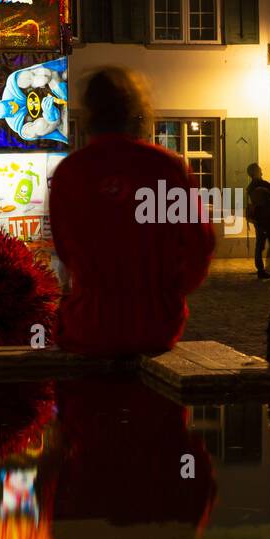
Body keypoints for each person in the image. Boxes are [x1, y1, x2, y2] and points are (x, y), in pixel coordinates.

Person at [49, 67, 214, 355]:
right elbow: (199, 245)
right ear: (135, 110)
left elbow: (64, 249)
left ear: (89, 112)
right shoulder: (167, 168)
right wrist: (165, 294)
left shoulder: (71, 172)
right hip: (154, 325)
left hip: (89, 323)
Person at [246, 162, 270, 279]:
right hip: (268, 218)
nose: (261, 171)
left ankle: (261, 270)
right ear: (254, 172)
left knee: (259, 245)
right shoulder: (262, 184)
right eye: (259, 170)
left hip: (258, 219)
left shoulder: (250, 187)